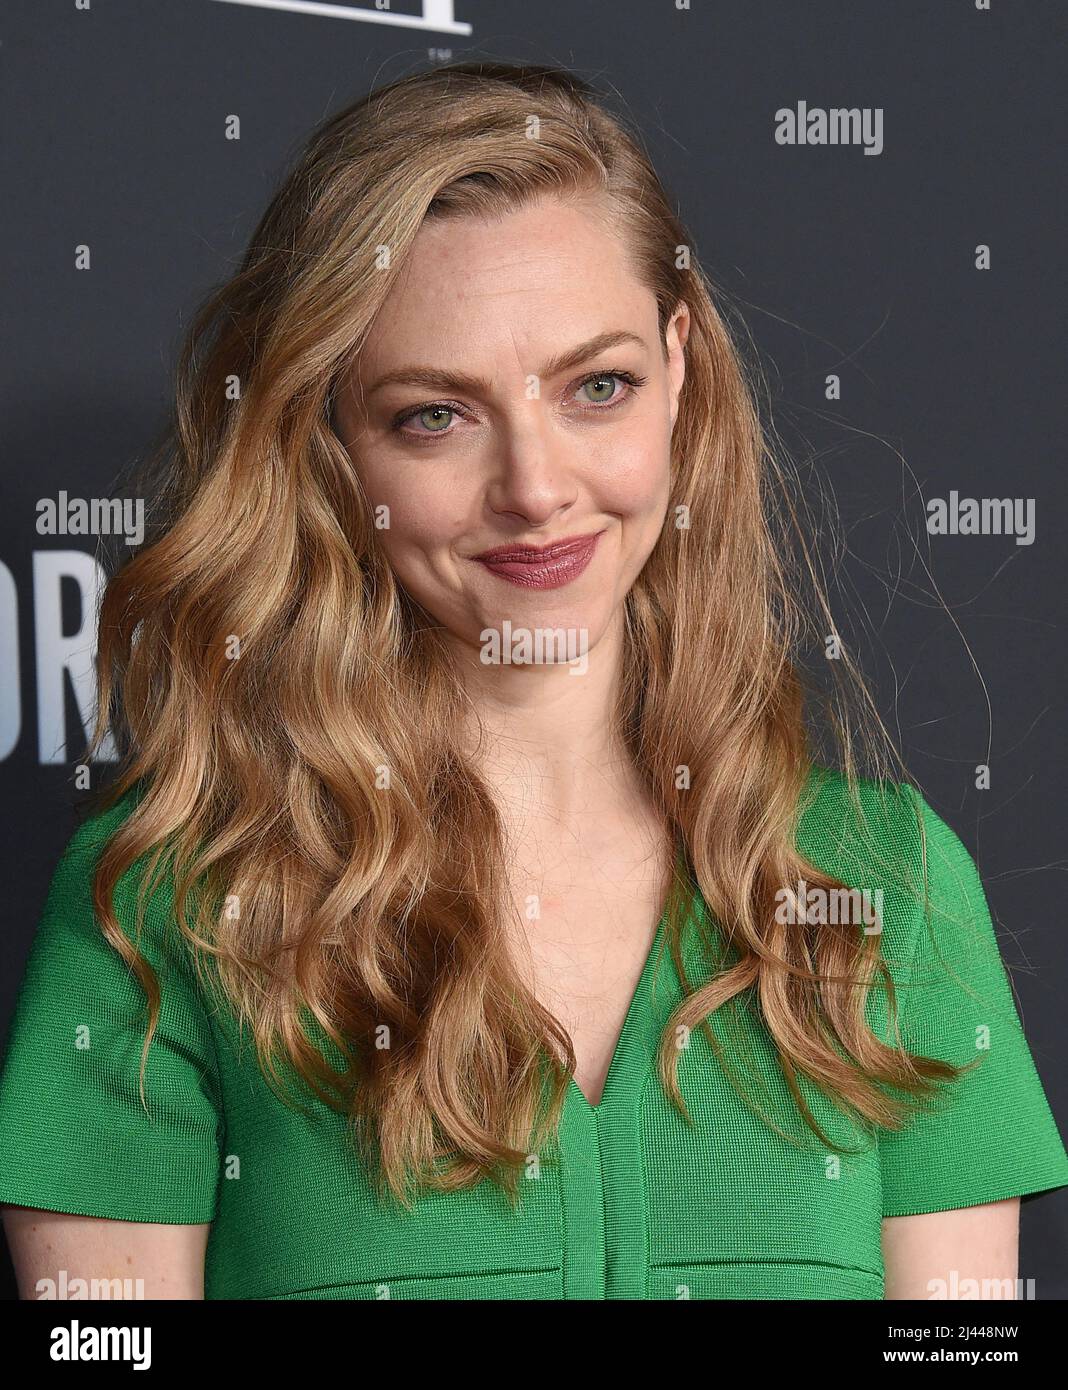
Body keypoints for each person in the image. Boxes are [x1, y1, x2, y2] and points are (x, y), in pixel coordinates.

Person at [0, 60, 1065, 1302]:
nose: (537, 487)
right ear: (327, 442)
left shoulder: (881, 885)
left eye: (595, 387)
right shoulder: (167, 905)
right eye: (433, 416)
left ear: (681, 373)